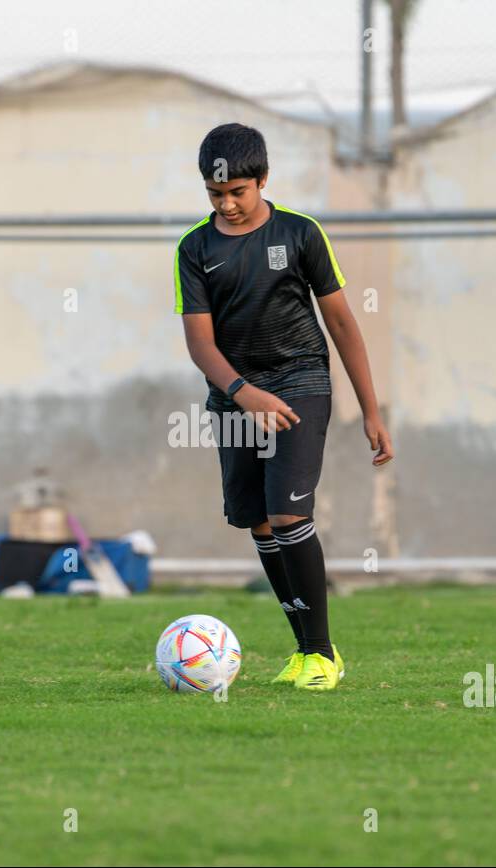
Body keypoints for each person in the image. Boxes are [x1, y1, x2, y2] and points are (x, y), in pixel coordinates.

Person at [174, 123, 394, 691]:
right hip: (235, 396)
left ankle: (323, 655)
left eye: (238, 192)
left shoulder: (301, 234)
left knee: (289, 512)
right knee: (260, 521)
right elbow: (201, 344)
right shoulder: (195, 248)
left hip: (299, 384)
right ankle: (303, 651)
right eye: (216, 195)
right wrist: (242, 394)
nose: (228, 204)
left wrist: (371, 409)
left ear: (263, 180)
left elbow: (341, 323)